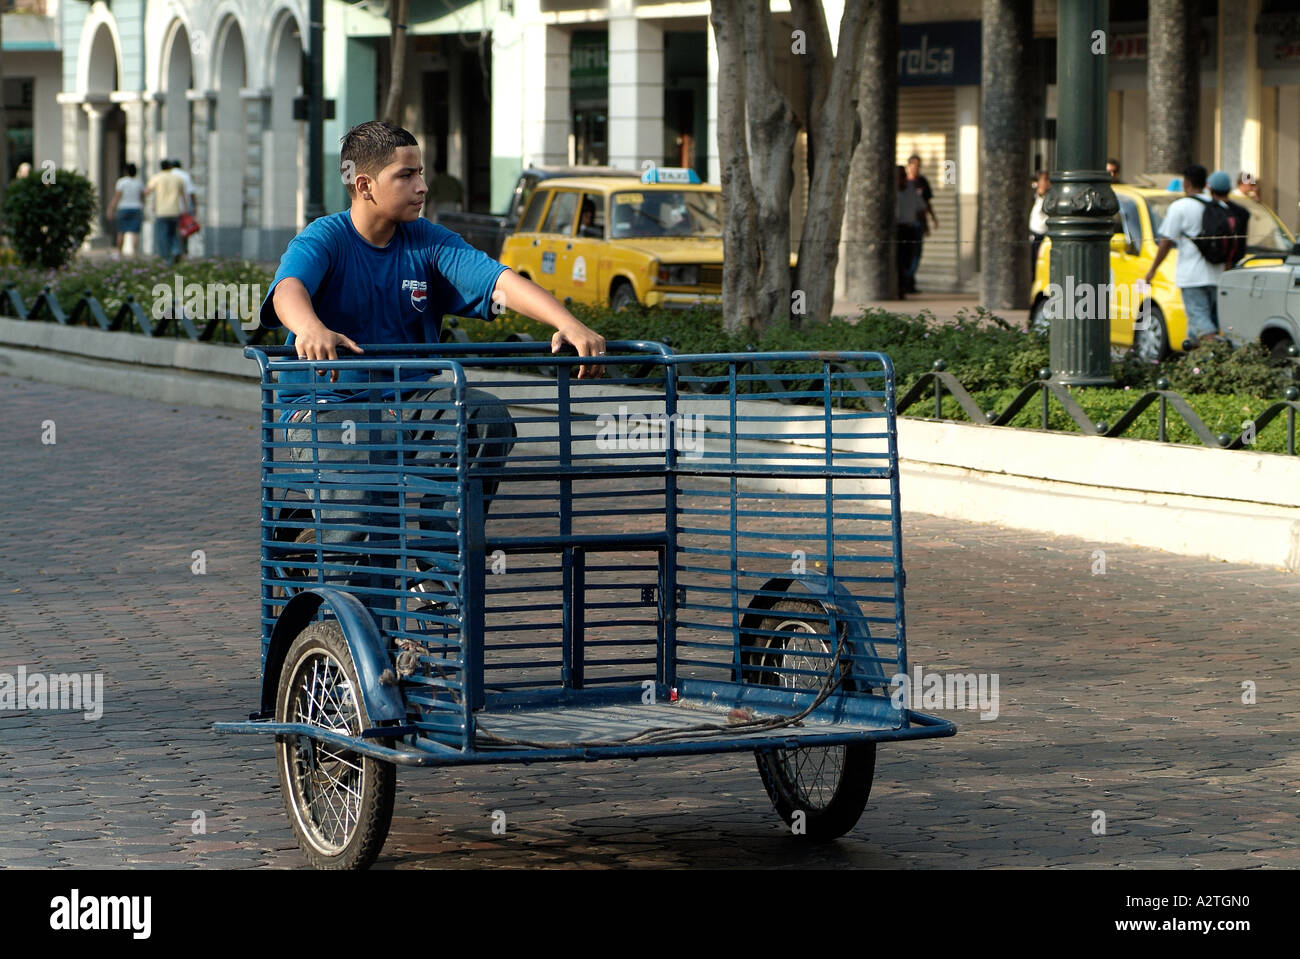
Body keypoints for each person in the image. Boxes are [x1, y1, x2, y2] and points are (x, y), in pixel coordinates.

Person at [259, 119, 606, 556]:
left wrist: (567, 322)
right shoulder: (325, 237)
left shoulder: (428, 241)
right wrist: (308, 327)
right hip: (324, 407)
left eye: (420, 172)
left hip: (406, 401)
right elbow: (290, 287)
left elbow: (498, 281)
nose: (422, 186)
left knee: (484, 417)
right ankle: (343, 600)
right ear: (364, 185)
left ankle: (438, 560)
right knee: (362, 478)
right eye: (406, 175)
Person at [1140, 164, 1225, 343]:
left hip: (1192, 276)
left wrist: (1152, 269)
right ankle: (1197, 367)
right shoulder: (1217, 205)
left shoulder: (1180, 207)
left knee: (1202, 325)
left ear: (1186, 182)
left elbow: (1166, 242)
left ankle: (1217, 356)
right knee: (1197, 327)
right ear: (1205, 183)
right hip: (1218, 274)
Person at [904, 154, 937, 292]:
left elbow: (925, 204)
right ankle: (906, 281)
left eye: (918, 166)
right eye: (914, 165)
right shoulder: (903, 182)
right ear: (909, 166)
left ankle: (909, 281)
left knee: (916, 254)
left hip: (918, 223)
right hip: (904, 223)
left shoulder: (922, 181)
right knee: (905, 254)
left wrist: (932, 219)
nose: (916, 168)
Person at [144, 159, 185, 263]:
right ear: (170, 167)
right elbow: (182, 195)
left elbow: (147, 191)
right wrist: (185, 208)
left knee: (163, 235)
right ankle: (176, 250)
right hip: (175, 210)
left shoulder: (156, 178)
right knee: (173, 234)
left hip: (161, 211)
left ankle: (167, 258)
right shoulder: (177, 178)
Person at [896, 165, 924, 299]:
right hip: (897, 229)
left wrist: (925, 226)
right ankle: (901, 286)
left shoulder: (911, 189)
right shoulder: (890, 192)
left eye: (903, 175)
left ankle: (907, 283)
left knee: (911, 258)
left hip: (911, 228)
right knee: (899, 259)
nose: (902, 179)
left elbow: (921, 208)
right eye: (899, 176)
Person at [106, 163, 144, 259]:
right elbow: (142, 197)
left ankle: (120, 253)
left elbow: (117, 197)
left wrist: (111, 208)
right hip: (136, 207)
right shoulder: (139, 182)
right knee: (134, 232)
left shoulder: (121, 182)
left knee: (121, 231)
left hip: (123, 208)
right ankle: (134, 254)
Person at [170, 158, 198, 259]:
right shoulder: (185, 176)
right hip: (184, 207)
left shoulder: (168, 175)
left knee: (172, 230)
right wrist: (195, 206)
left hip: (170, 208)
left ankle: (175, 251)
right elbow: (191, 193)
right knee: (184, 230)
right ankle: (183, 251)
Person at [1028, 170, 1050, 266]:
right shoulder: (1034, 197)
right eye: (1042, 180)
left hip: (1042, 238)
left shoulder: (1048, 199)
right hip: (1032, 237)